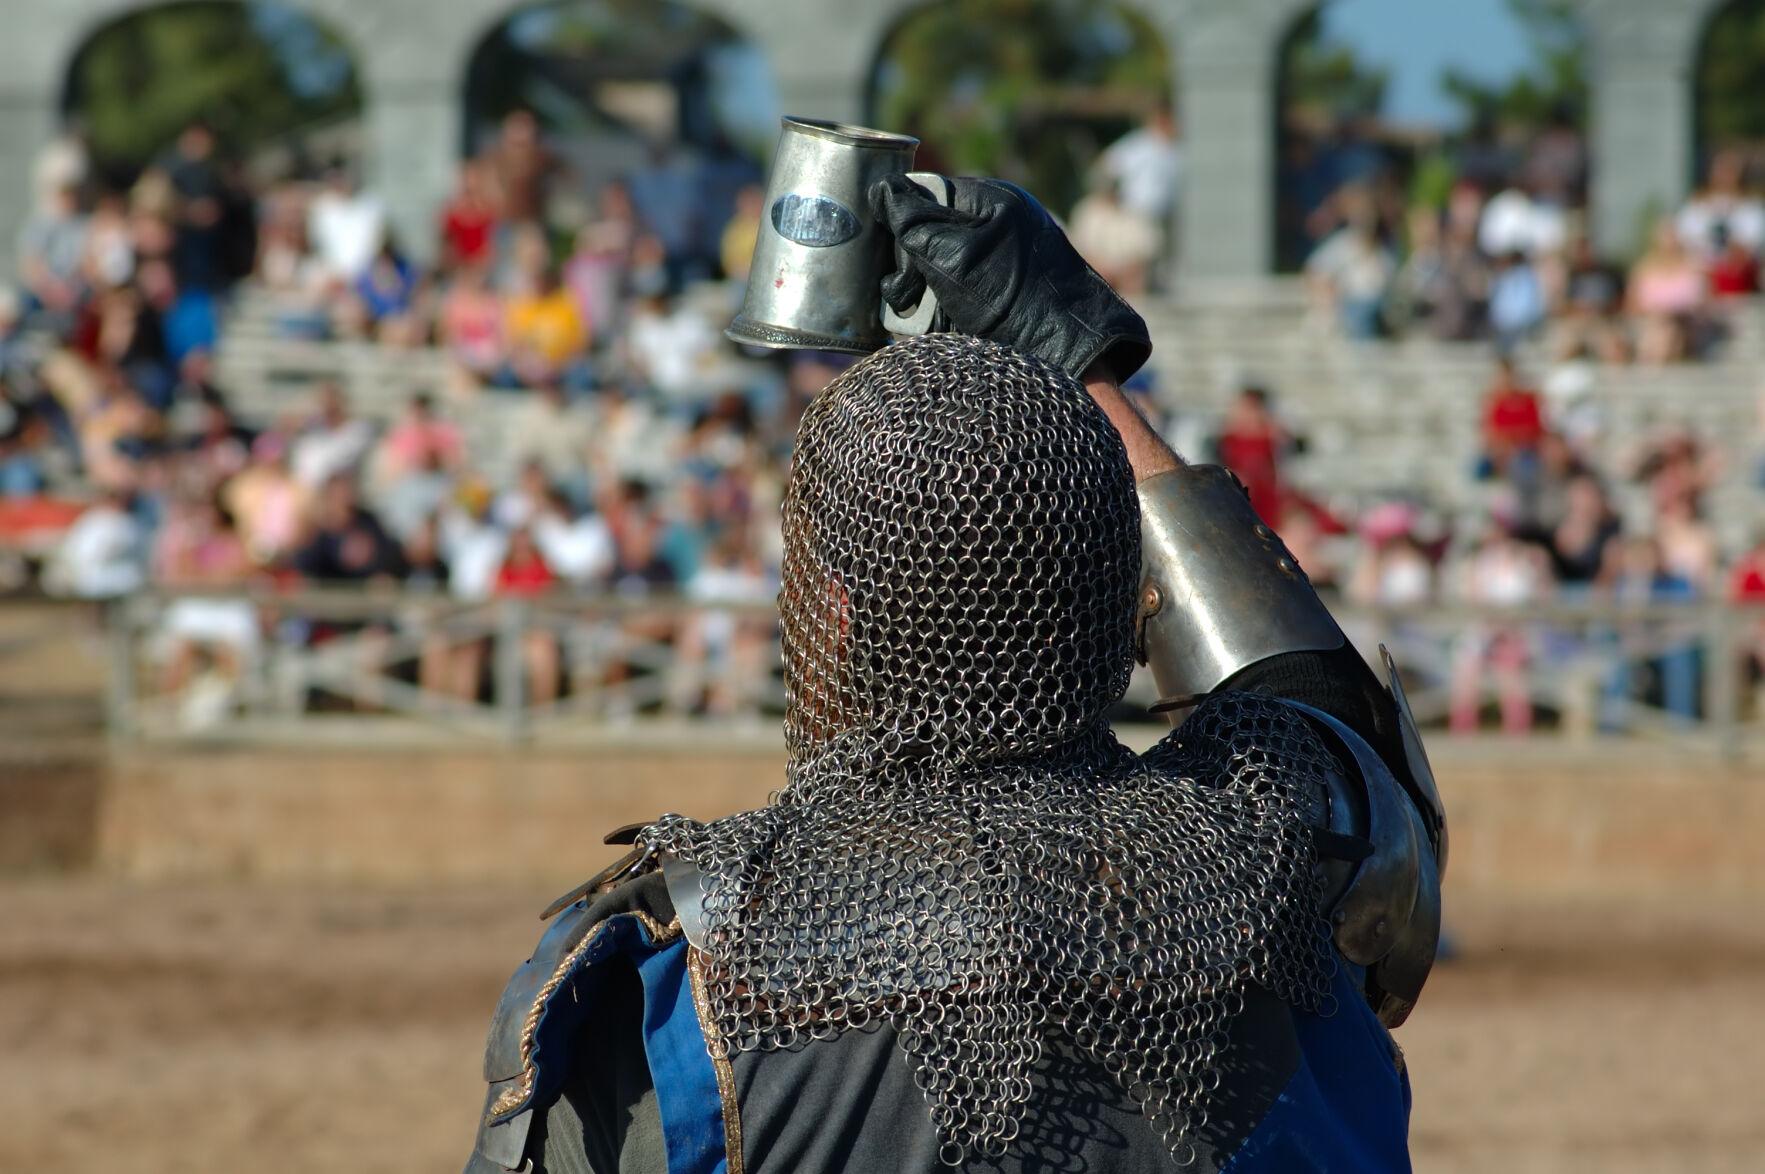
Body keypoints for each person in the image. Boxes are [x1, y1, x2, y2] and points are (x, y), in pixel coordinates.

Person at [465, 175, 1441, 1173]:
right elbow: (1330, 736)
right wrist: (1081, 366)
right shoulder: (1271, 863)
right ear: (1121, 605)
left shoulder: (686, 980)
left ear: (830, 620)